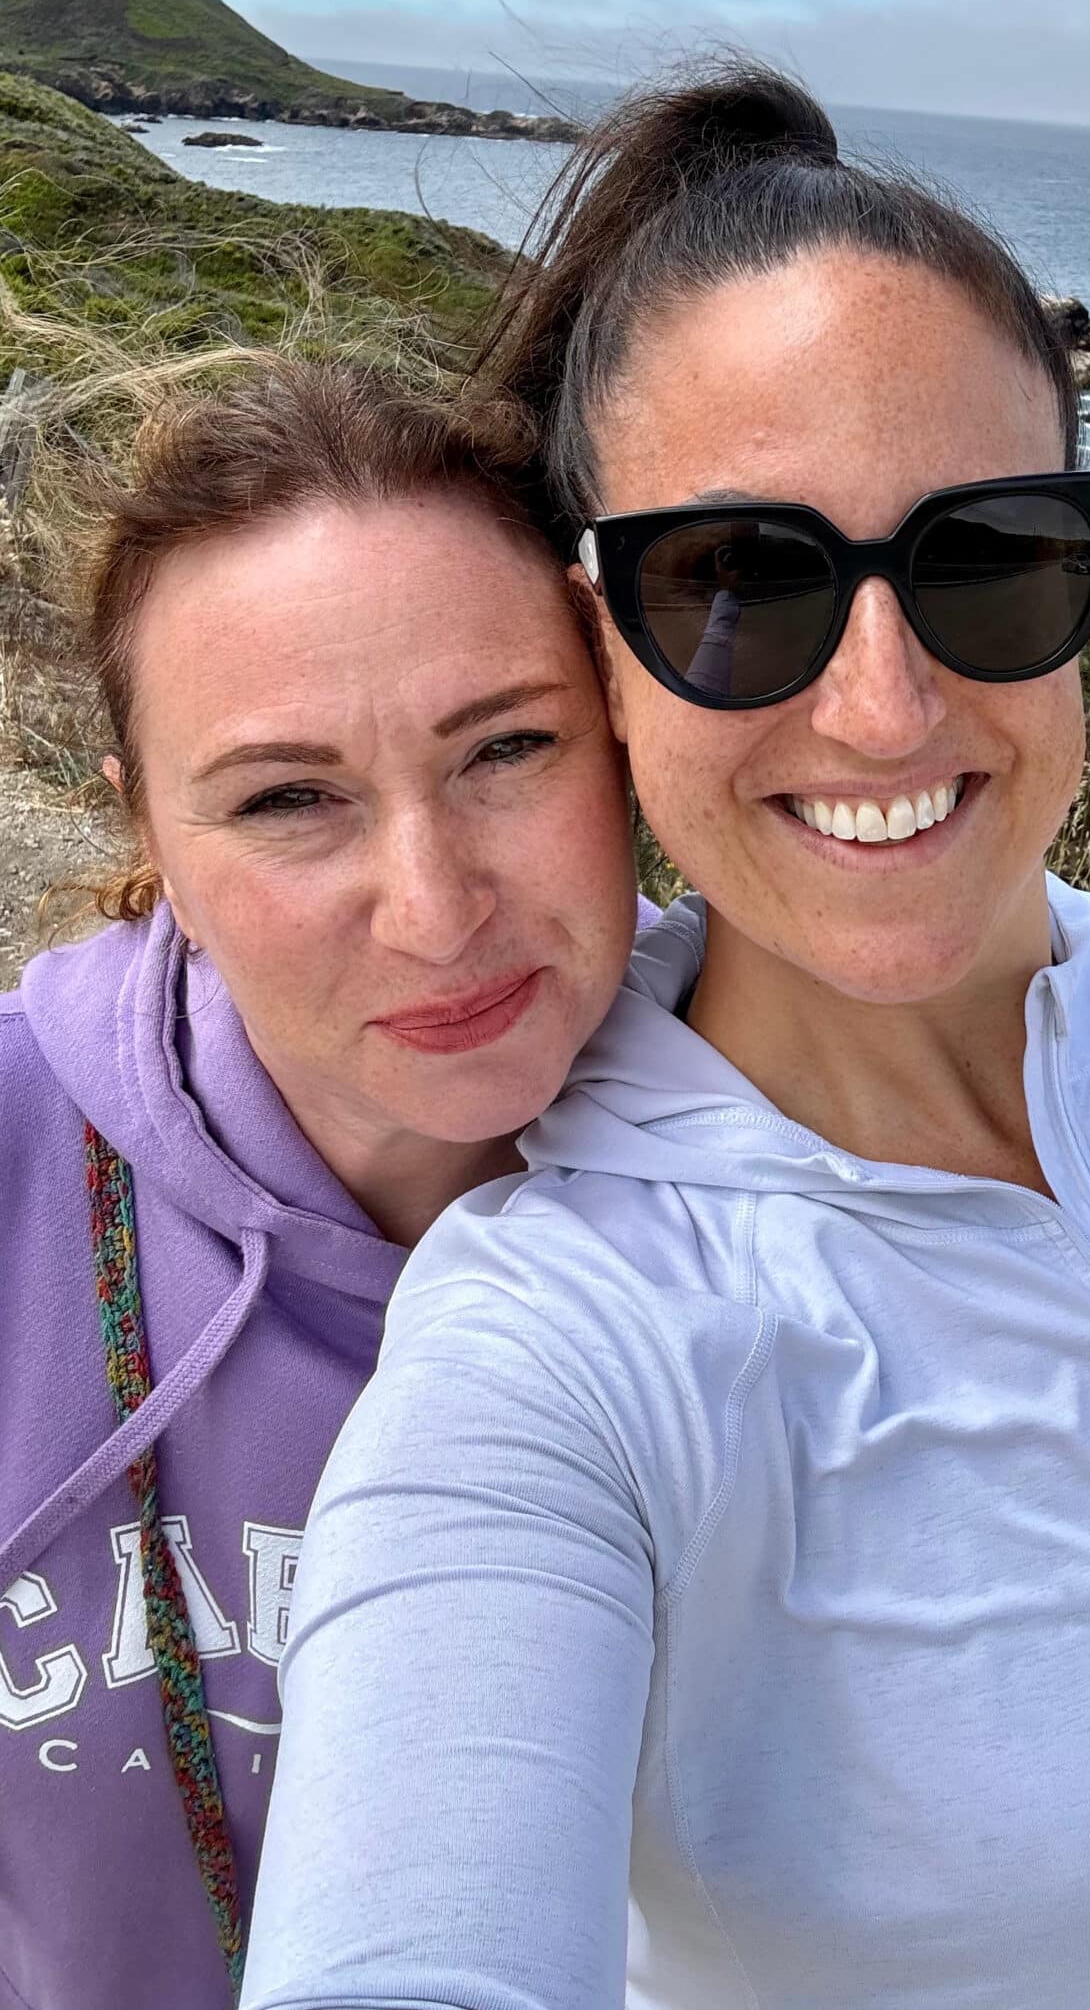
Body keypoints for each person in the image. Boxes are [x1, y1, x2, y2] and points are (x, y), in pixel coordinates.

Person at [245, 69, 1090, 2009]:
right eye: (739, 579)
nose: (885, 709)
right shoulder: (561, 1354)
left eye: (984, 557)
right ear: (599, 642)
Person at [0, 357, 650, 2010]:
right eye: (291, 799)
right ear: (151, 832)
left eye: (508, 749)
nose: (433, 911)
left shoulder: (818, 1185)